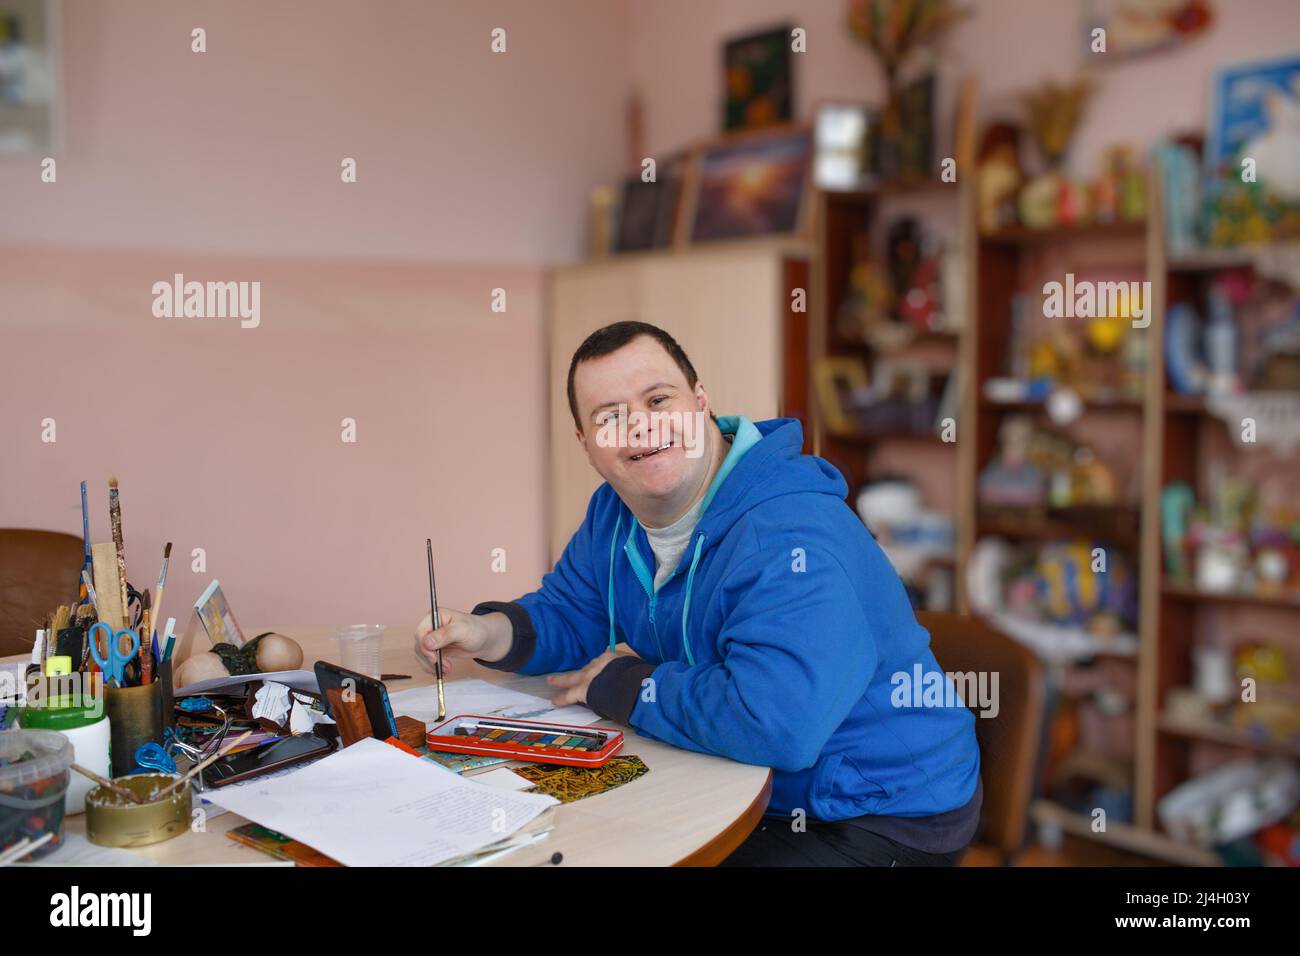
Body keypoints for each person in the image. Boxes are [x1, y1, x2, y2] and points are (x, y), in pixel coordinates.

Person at [414, 320, 982, 866]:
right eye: (610, 417)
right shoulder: (614, 512)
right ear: (587, 445)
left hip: (876, 811)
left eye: (658, 400)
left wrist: (626, 684)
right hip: (743, 781)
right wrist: (487, 632)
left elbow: (776, 724)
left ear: (700, 401)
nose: (639, 425)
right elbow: (575, 608)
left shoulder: (790, 533)